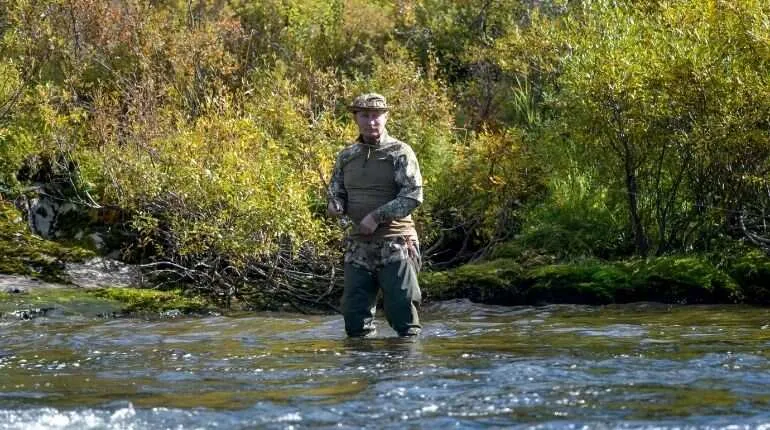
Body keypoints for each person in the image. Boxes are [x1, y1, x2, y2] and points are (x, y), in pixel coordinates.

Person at [327, 92, 423, 338]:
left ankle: (405, 371)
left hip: (397, 243)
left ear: (386, 117)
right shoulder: (347, 156)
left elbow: (412, 196)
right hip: (358, 246)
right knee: (355, 319)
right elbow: (336, 192)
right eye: (365, 116)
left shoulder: (400, 152)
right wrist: (335, 205)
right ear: (355, 118)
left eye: (376, 116)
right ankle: (365, 369)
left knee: (403, 314)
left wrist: (376, 217)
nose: (371, 121)